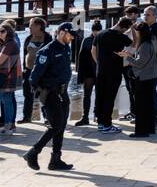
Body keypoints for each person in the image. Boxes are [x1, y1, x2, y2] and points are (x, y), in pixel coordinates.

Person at [24, 22, 76, 171]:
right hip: (50, 93)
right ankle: (33, 152)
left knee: (61, 126)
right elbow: (34, 77)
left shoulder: (66, 48)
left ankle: (55, 160)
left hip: (63, 92)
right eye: (70, 35)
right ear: (61, 33)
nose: (71, 38)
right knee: (55, 126)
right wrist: (41, 94)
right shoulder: (47, 51)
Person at [94, 17, 132, 133]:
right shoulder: (120, 36)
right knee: (109, 98)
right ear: (124, 28)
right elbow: (134, 43)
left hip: (100, 70)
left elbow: (93, 50)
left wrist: (98, 63)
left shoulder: (100, 34)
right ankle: (107, 125)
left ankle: (100, 123)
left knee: (100, 97)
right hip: (114, 71)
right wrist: (134, 31)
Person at [124, 22, 157, 138]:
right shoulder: (152, 41)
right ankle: (149, 128)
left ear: (141, 32)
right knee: (148, 105)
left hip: (144, 78)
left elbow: (140, 63)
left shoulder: (145, 45)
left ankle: (141, 131)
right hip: (151, 76)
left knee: (141, 106)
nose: (135, 35)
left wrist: (127, 57)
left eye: (136, 32)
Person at [20, 18, 51, 125]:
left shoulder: (48, 38)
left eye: (31, 25)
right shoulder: (28, 38)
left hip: (42, 72)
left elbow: (50, 55)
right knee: (27, 94)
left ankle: (47, 117)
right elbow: (25, 54)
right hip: (28, 70)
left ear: (39, 26)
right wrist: (24, 69)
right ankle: (26, 117)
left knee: (44, 94)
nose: (29, 27)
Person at [74, 19, 101, 126]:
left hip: (92, 71)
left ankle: (91, 116)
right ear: (93, 30)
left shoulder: (87, 40)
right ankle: (90, 116)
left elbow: (80, 58)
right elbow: (81, 58)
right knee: (89, 95)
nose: (96, 34)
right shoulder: (91, 40)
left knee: (92, 95)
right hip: (93, 71)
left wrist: (80, 74)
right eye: (95, 31)